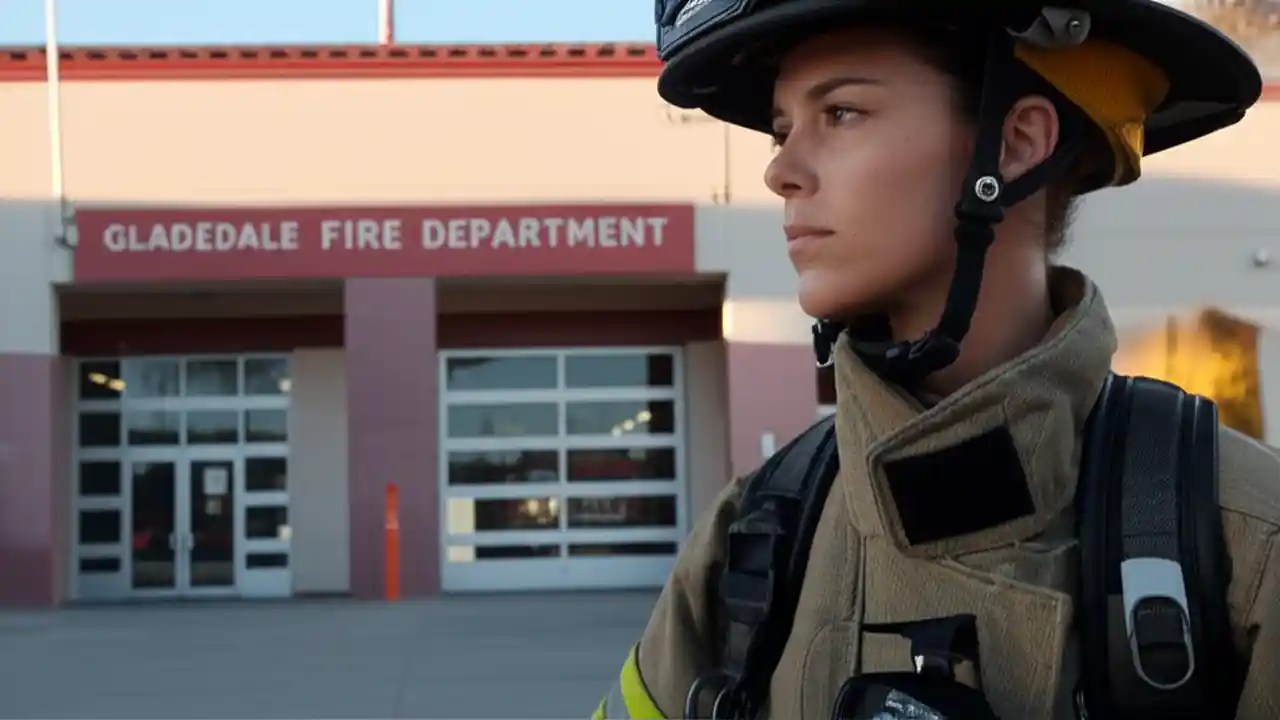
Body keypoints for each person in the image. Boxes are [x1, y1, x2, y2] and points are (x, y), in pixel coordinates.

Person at [592, 1, 1280, 719]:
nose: (781, 172)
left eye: (843, 113)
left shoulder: (1244, 541)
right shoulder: (750, 537)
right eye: (781, 129)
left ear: (1016, 143)